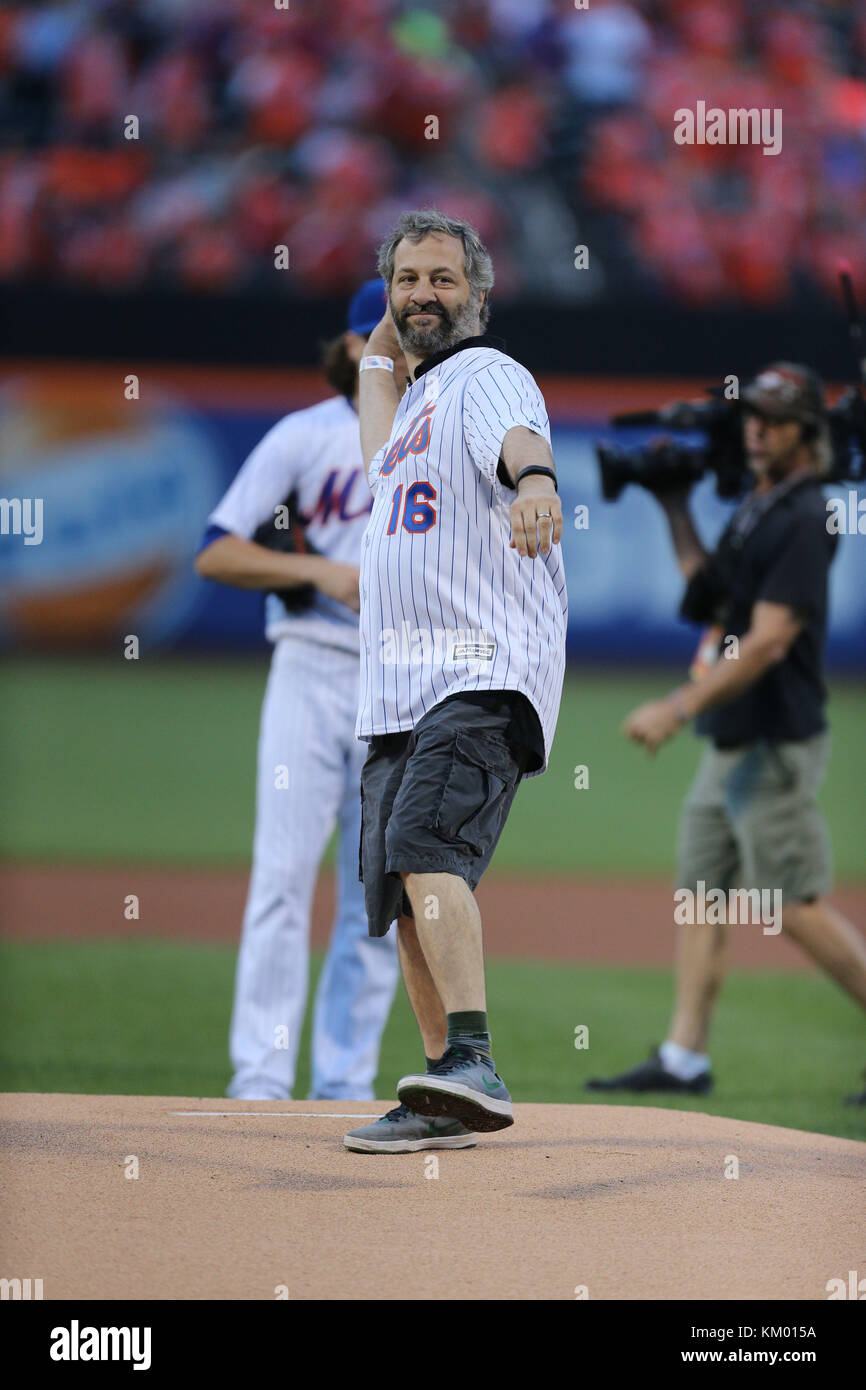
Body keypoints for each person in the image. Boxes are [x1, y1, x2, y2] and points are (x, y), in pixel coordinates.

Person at [342, 209, 567, 1155]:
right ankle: (444, 1088)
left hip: (477, 668)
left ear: (477, 292)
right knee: (398, 882)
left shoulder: (485, 374)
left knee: (426, 837)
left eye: (442, 278)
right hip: (398, 687)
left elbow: (514, 435)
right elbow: (374, 437)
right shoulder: (406, 421)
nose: (424, 295)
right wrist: (381, 348)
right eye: (406, 280)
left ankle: (473, 1058)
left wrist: (537, 483)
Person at [584, 363, 866, 1105]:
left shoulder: (808, 514)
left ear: (808, 432)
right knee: (702, 895)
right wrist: (675, 505)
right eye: (752, 417)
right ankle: (684, 1057)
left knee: (791, 903)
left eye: (772, 419)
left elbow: (769, 640)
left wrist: (677, 707)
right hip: (735, 735)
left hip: (774, 737)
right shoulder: (759, 504)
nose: (755, 428)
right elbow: (712, 600)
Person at [194, 281, 400, 1102]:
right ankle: (261, 1079)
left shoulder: (428, 439)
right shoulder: (305, 435)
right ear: (353, 347)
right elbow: (216, 551)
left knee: (375, 901)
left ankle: (346, 1086)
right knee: (281, 878)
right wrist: (314, 567)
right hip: (310, 668)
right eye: (380, 334)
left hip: (399, 684)